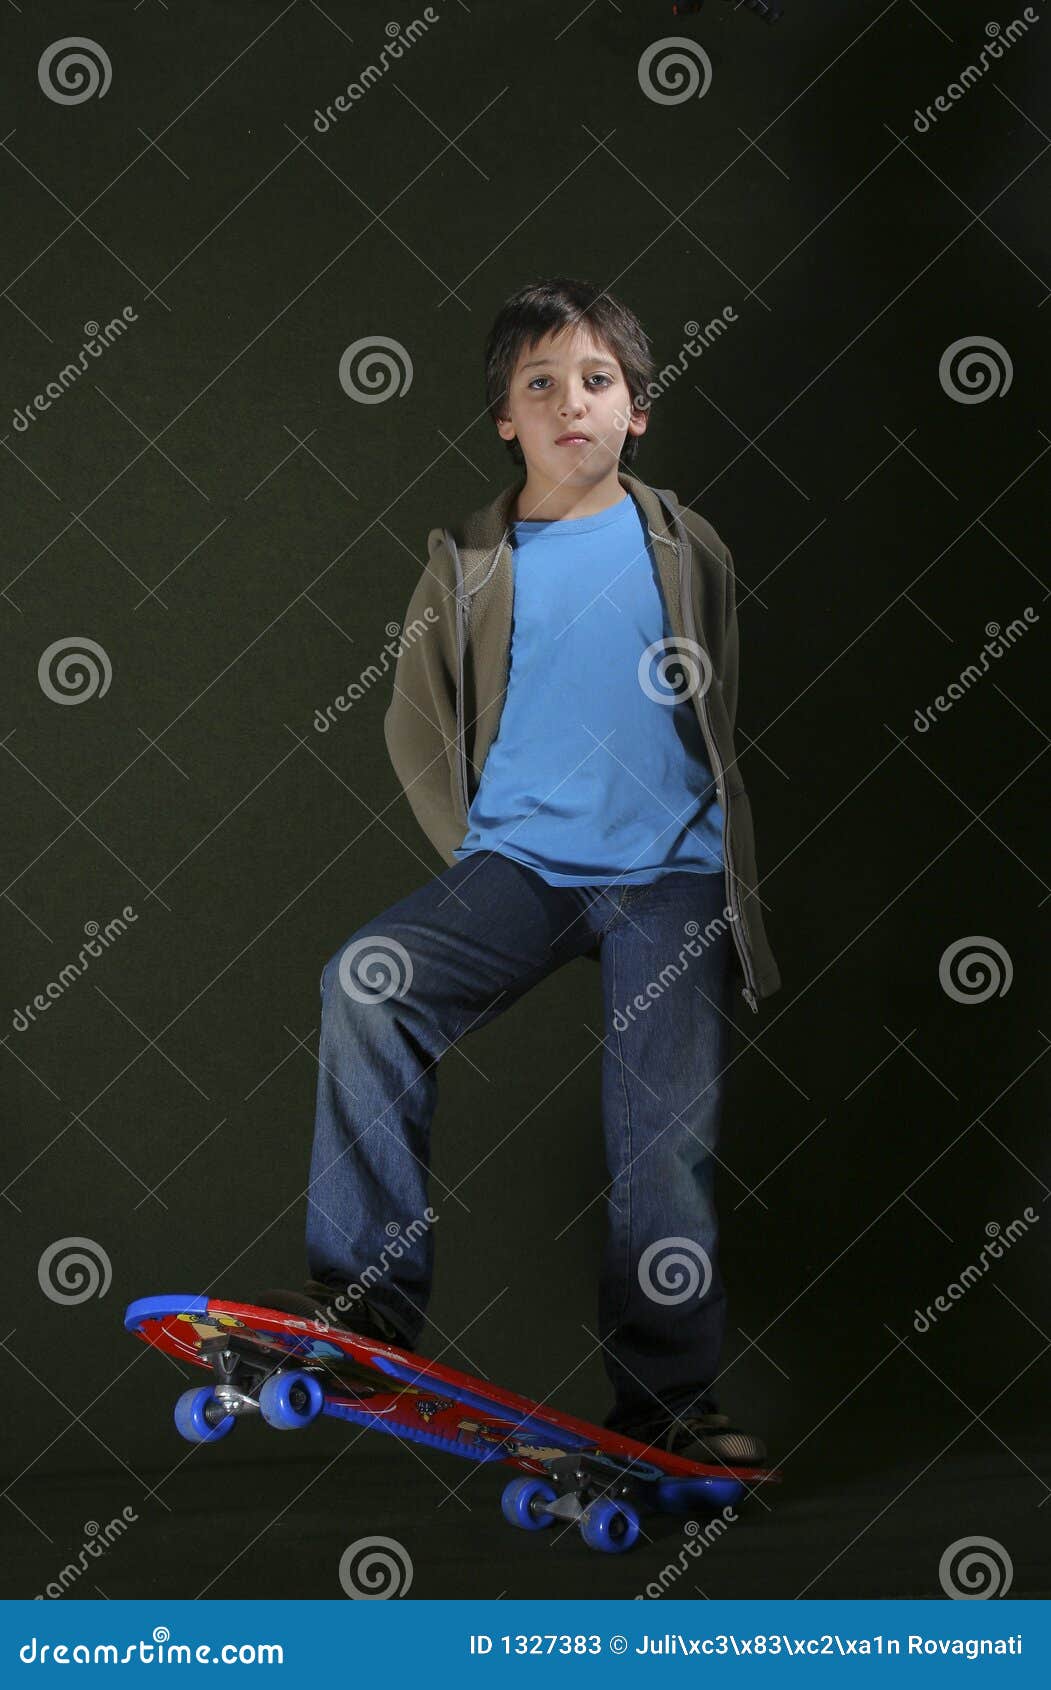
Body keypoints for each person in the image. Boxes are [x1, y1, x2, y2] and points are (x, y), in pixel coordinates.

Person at [262, 277, 781, 1465]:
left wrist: (701, 841)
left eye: (597, 381)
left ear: (636, 410)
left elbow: (720, 704)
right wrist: (477, 853)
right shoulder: (470, 561)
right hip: (522, 867)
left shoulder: (687, 545)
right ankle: (361, 1316)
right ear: (505, 417)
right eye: (538, 385)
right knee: (368, 980)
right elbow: (412, 719)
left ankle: (667, 1407)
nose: (570, 405)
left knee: (664, 1141)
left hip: (674, 880)